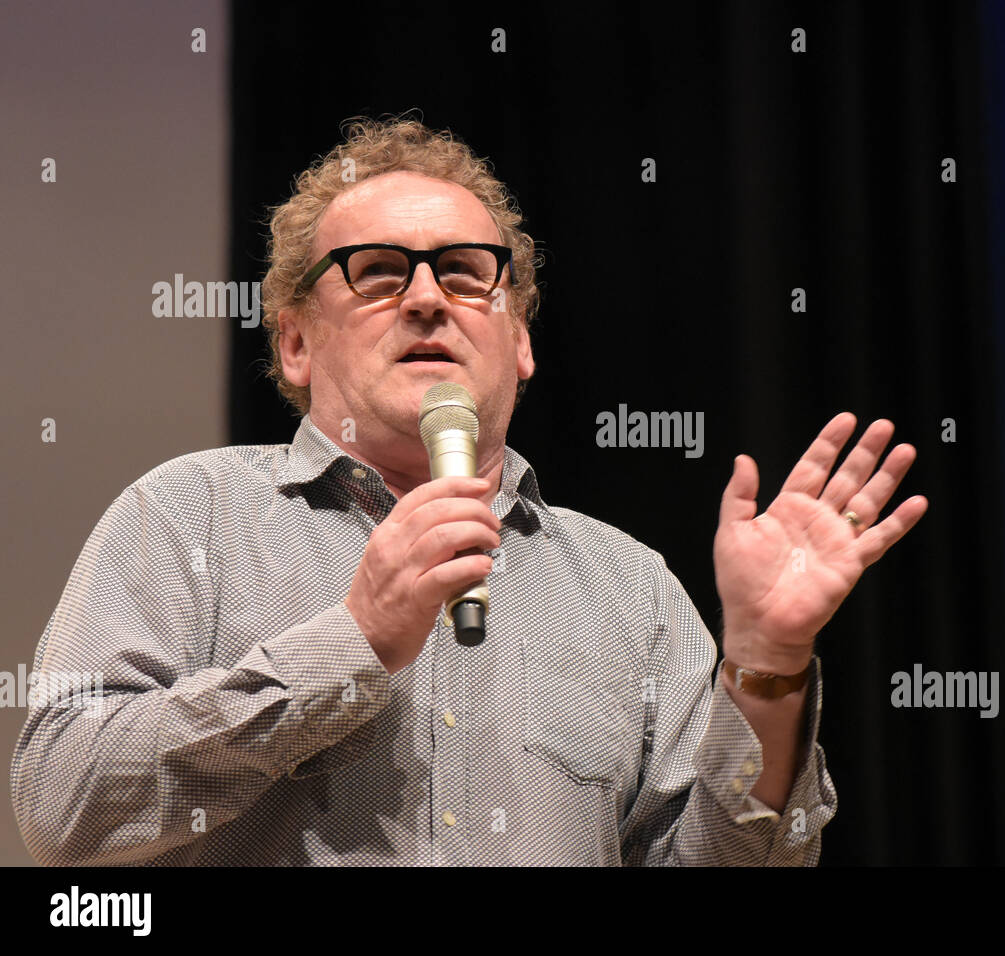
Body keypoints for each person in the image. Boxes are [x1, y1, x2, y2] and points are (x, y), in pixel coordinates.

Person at [10, 118, 927, 865]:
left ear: (520, 344)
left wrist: (767, 670)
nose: (424, 300)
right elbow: (60, 812)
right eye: (376, 272)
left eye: (462, 274)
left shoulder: (629, 586)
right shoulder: (188, 515)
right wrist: (353, 643)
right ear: (293, 342)